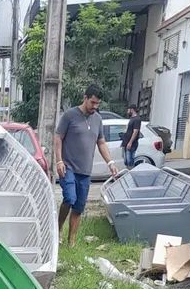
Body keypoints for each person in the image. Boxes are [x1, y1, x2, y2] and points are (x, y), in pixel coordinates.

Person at [55, 85, 119, 246]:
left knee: (78, 207)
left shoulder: (97, 119)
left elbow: (101, 142)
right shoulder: (70, 116)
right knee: (69, 198)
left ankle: (72, 242)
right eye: (92, 103)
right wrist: (59, 160)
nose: (95, 107)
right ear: (85, 98)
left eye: (97, 104)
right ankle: (58, 230)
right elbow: (58, 138)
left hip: (85, 171)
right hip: (68, 167)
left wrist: (110, 162)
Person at [122, 104, 141, 169]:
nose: (127, 111)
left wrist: (130, 142)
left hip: (132, 144)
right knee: (126, 160)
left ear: (132, 110)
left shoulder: (137, 119)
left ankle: (131, 173)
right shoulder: (132, 118)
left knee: (130, 160)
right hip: (127, 142)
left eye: (128, 109)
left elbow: (135, 132)